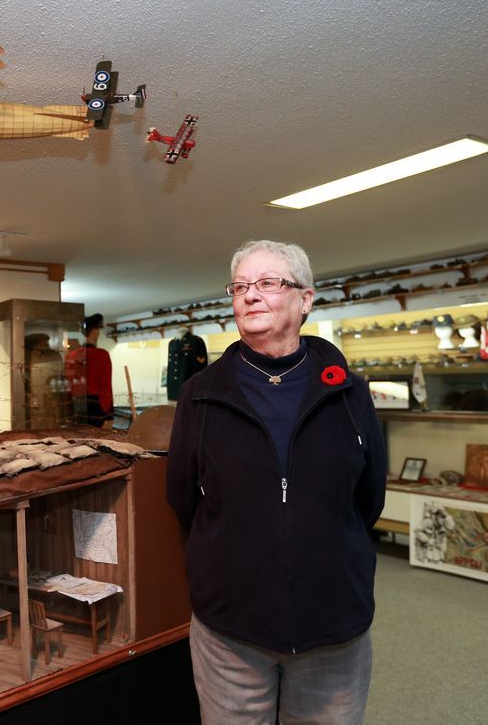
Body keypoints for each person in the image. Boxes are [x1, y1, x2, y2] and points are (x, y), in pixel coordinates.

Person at [166, 239, 386, 725]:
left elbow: (368, 498)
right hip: (231, 628)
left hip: (333, 623)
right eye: (240, 286)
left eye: (267, 283)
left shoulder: (349, 391)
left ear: (305, 299)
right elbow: (184, 497)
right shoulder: (200, 396)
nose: (250, 296)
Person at [64, 313, 114, 428]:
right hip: (97, 406)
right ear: (95, 332)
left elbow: (68, 384)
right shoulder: (102, 355)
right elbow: (106, 385)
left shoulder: (71, 355)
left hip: (76, 404)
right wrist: (109, 414)